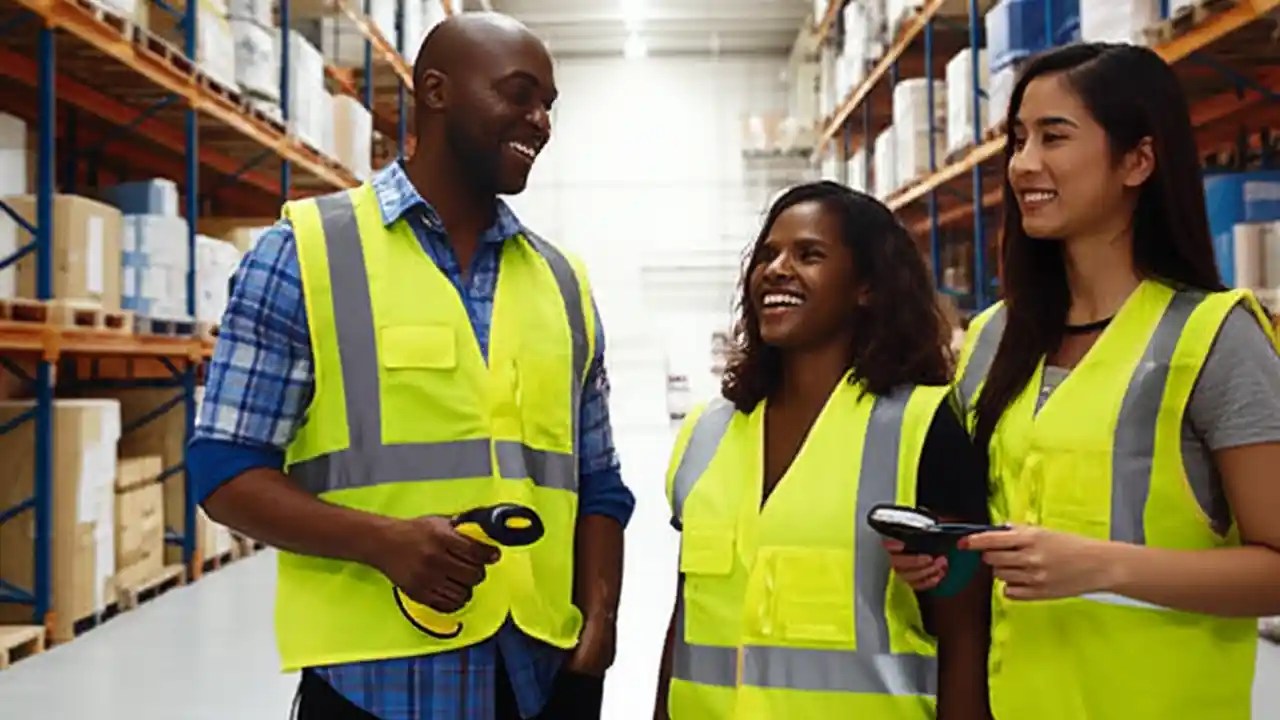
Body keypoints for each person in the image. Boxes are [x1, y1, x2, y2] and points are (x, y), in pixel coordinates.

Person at [190, 12, 635, 720]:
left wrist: (601, 620)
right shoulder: (306, 253)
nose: (541, 121)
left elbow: (600, 483)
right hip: (374, 685)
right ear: (436, 91)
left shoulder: (562, 282)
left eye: (549, 104)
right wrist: (382, 543)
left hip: (540, 675)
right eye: (519, 94)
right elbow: (224, 469)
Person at [892, 42, 1280, 720]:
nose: (1023, 164)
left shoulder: (1214, 338)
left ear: (1137, 161)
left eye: (1054, 137)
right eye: (1018, 140)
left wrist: (1103, 566)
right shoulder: (992, 339)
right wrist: (942, 559)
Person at [651, 181, 994, 719]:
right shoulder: (708, 431)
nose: (777, 270)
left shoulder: (921, 426)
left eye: (808, 255)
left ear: (867, 287)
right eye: (767, 255)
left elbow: (965, 633)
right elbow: (685, 619)